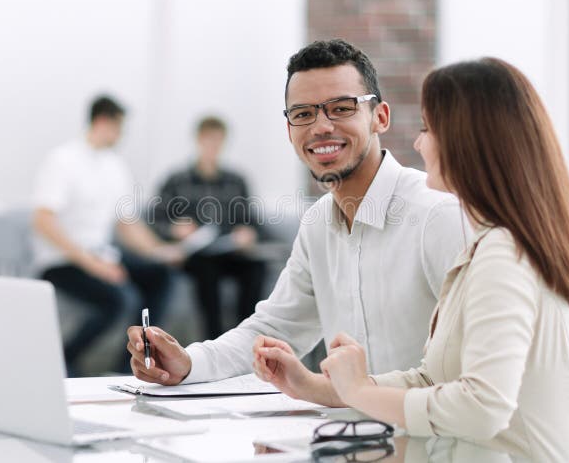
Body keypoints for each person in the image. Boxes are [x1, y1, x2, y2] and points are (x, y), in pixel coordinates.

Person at [253, 58, 569, 461]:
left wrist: (361, 392)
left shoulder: (504, 253)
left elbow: (481, 409)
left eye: (427, 129)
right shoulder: (488, 245)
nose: (419, 144)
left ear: (467, 143)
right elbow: (434, 378)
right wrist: (319, 386)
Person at [126, 39, 468, 385]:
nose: (321, 127)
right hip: (347, 431)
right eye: (303, 114)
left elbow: (479, 377)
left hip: (430, 435)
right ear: (290, 130)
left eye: (341, 108)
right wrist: (187, 363)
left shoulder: (438, 216)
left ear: (380, 117)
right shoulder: (319, 223)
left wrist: (320, 390)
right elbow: (274, 328)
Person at [32, 95, 180, 376]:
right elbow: (43, 221)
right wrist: (95, 265)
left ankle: (127, 368)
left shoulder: (114, 166)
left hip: (102, 254)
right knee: (123, 298)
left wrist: (159, 250)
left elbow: (127, 224)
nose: (122, 135)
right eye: (120, 128)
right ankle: (65, 358)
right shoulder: (63, 160)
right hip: (63, 261)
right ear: (103, 121)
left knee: (160, 275)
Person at [154, 116, 267, 339]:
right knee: (206, 268)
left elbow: (252, 222)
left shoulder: (236, 181)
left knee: (256, 267)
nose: (212, 147)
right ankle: (214, 339)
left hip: (230, 251)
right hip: (196, 256)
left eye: (217, 141)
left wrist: (248, 233)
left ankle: (246, 337)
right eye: (208, 141)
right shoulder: (176, 180)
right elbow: (157, 221)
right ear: (198, 140)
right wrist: (175, 230)